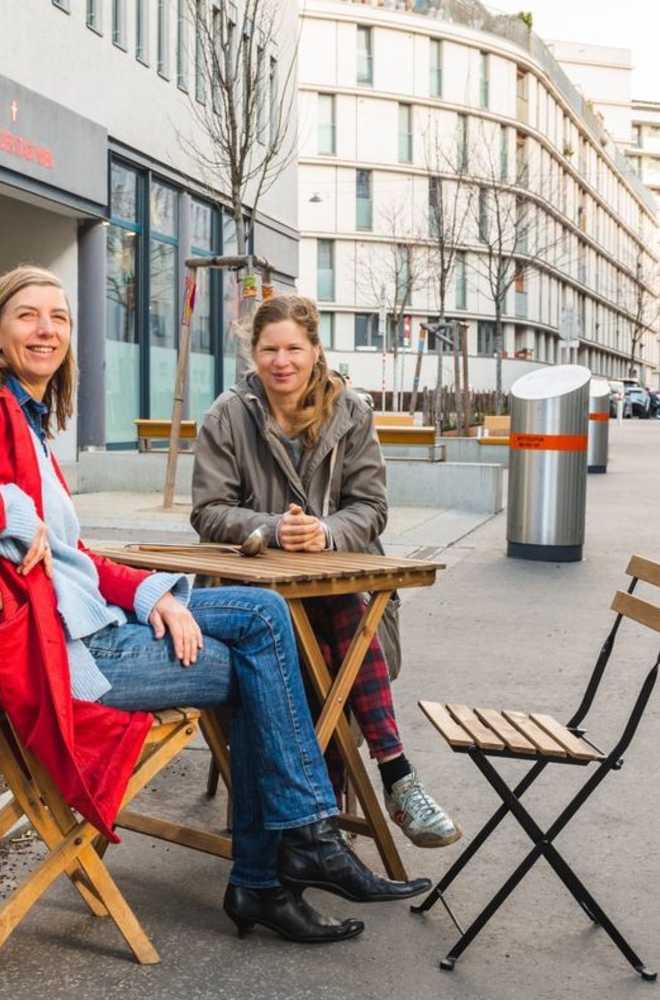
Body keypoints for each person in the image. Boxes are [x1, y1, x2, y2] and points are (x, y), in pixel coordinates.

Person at [0, 266, 428, 946]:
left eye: (59, 317)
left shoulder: (25, 420)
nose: (46, 329)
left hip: (84, 624)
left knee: (261, 617)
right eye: (27, 316)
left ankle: (286, 855)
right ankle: (290, 850)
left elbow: (69, 557)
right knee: (262, 656)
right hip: (74, 657)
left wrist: (148, 592)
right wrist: (4, 505)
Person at [190, 295, 462, 850]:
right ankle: (389, 780)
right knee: (323, 643)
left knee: (338, 622)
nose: (281, 361)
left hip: (342, 592)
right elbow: (207, 511)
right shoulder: (227, 415)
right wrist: (271, 527)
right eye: (270, 349)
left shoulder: (351, 412)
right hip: (248, 595)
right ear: (253, 352)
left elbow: (371, 506)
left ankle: (321, 825)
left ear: (316, 351)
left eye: (294, 348)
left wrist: (326, 532)